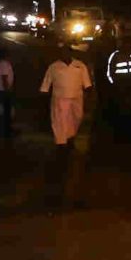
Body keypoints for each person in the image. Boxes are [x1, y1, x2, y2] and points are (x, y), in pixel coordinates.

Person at [39, 45, 94, 199]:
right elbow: (45, 87)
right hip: (60, 100)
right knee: (60, 122)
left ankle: (69, 138)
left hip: (76, 100)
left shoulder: (79, 65)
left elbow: (88, 85)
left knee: (75, 120)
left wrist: (89, 100)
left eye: (67, 51)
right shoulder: (54, 67)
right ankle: (61, 144)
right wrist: (43, 104)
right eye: (61, 52)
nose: (64, 54)